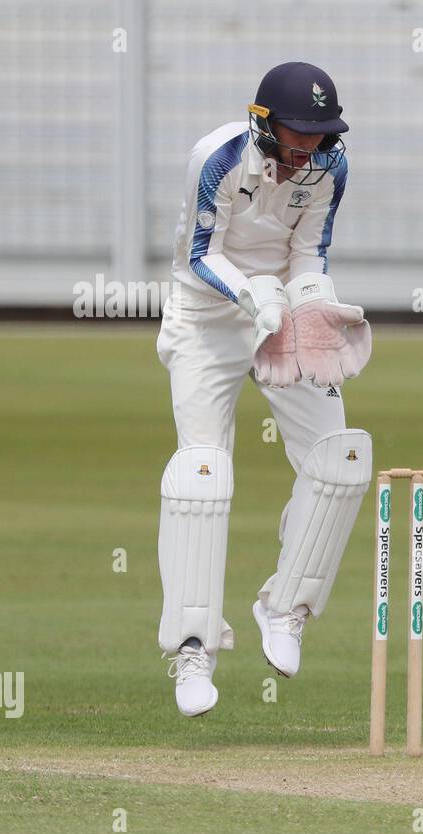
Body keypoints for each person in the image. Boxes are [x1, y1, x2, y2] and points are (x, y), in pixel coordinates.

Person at [155, 62, 372, 716]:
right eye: (296, 131)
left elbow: (310, 252)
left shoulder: (330, 168)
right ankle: (192, 649)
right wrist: (258, 304)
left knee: (342, 458)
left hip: (278, 308)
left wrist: (313, 307)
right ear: (264, 121)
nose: (307, 146)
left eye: (319, 133)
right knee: (201, 473)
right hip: (206, 315)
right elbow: (201, 253)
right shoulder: (216, 159)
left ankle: (286, 605)